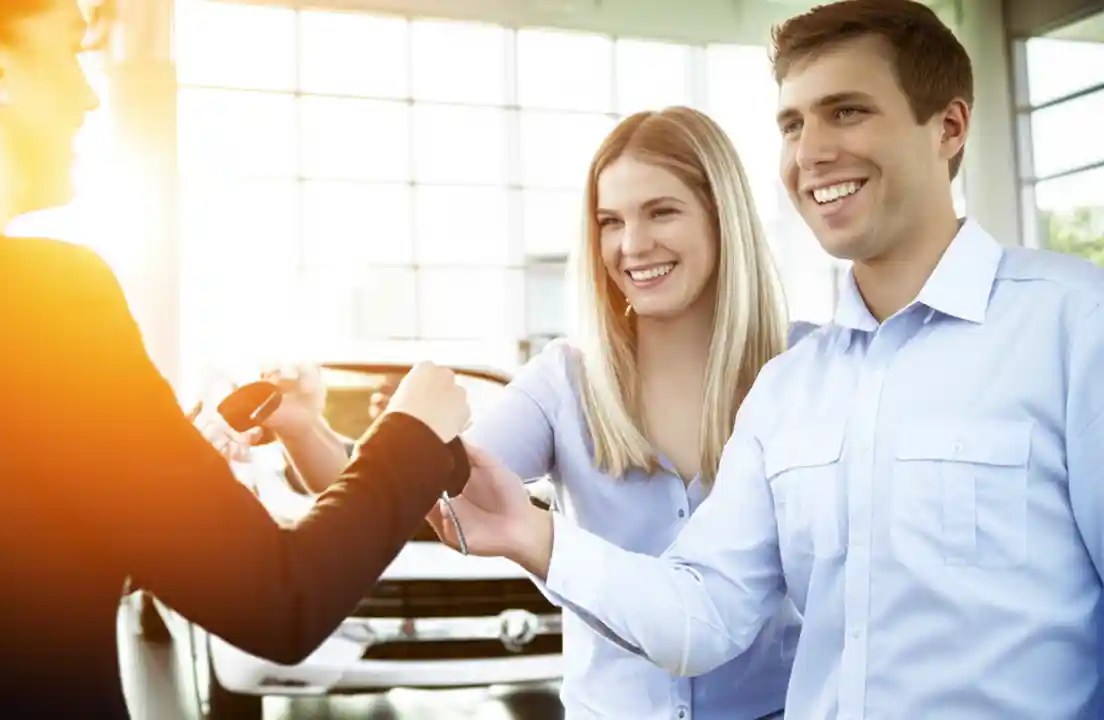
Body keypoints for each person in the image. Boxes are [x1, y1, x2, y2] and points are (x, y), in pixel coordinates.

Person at [427, 1, 1104, 719]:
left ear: (949, 127)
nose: (810, 151)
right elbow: (705, 615)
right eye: (792, 124)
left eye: (847, 112)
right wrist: (535, 533)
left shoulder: (1074, 326)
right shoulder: (791, 386)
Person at [0, 1, 478, 717]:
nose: (89, 94)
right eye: (72, 52)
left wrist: (157, 485)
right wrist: (413, 429)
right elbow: (281, 601)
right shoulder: (43, 293)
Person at [232, 107, 813, 719]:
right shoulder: (565, 382)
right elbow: (409, 500)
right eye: (610, 221)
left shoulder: (804, 370)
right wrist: (303, 430)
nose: (633, 244)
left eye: (661, 211)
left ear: (723, 216)